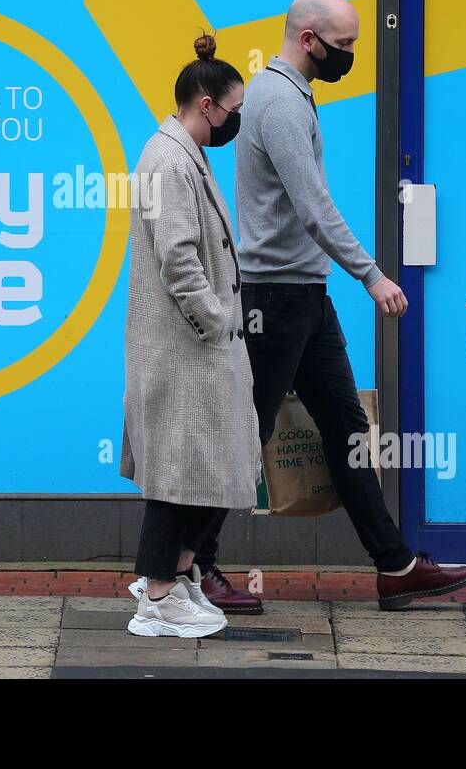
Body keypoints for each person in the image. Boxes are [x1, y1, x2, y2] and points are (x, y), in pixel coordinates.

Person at [192, 0, 466, 613]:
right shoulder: (281, 105)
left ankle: (396, 565)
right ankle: (196, 568)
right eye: (342, 47)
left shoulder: (290, 95)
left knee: (347, 430)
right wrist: (372, 276)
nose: (348, 57)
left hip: (305, 293)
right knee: (249, 431)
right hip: (277, 295)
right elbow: (314, 207)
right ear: (307, 40)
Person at [119, 35, 260, 637]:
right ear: (206, 103)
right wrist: (218, 322)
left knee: (209, 468)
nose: (237, 122)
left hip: (194, 347)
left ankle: (174, 580)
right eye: (234, 110)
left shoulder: (181, 153)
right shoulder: (172, 159)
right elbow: (178, 258)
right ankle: (157, 594)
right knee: (181, 473)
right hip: (188, 347)